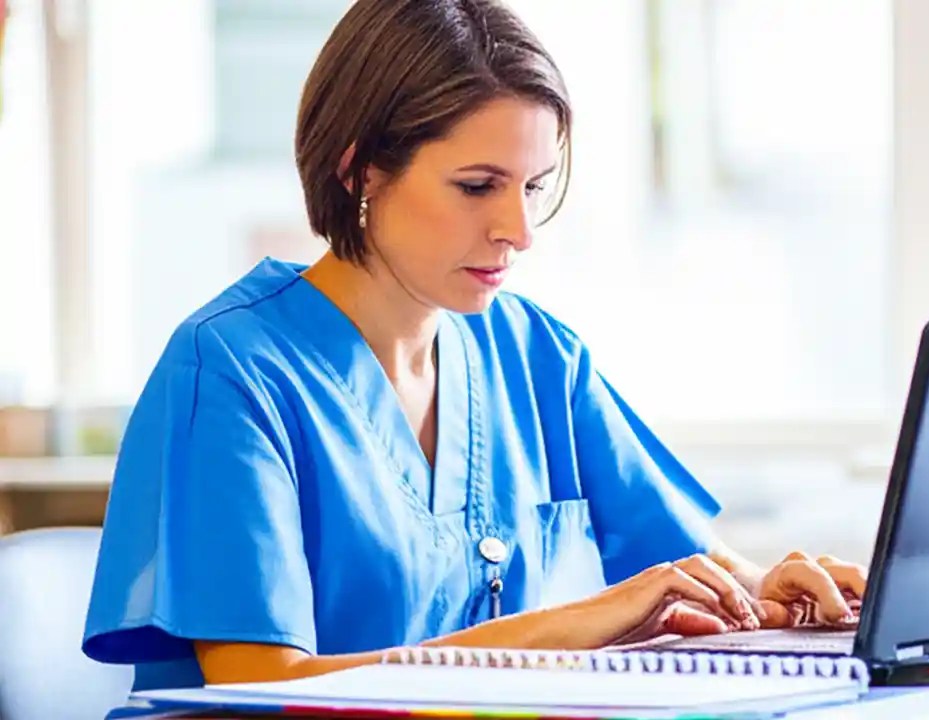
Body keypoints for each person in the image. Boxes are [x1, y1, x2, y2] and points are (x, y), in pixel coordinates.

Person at [82, 0, 867, 692]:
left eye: (532, 187)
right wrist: (593, 622)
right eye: (476, 186)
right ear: (358, 168)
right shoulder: (231, 372)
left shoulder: (537, 355)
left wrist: (782, 592)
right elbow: (265, 686)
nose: (517, 232)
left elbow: (693, 571)